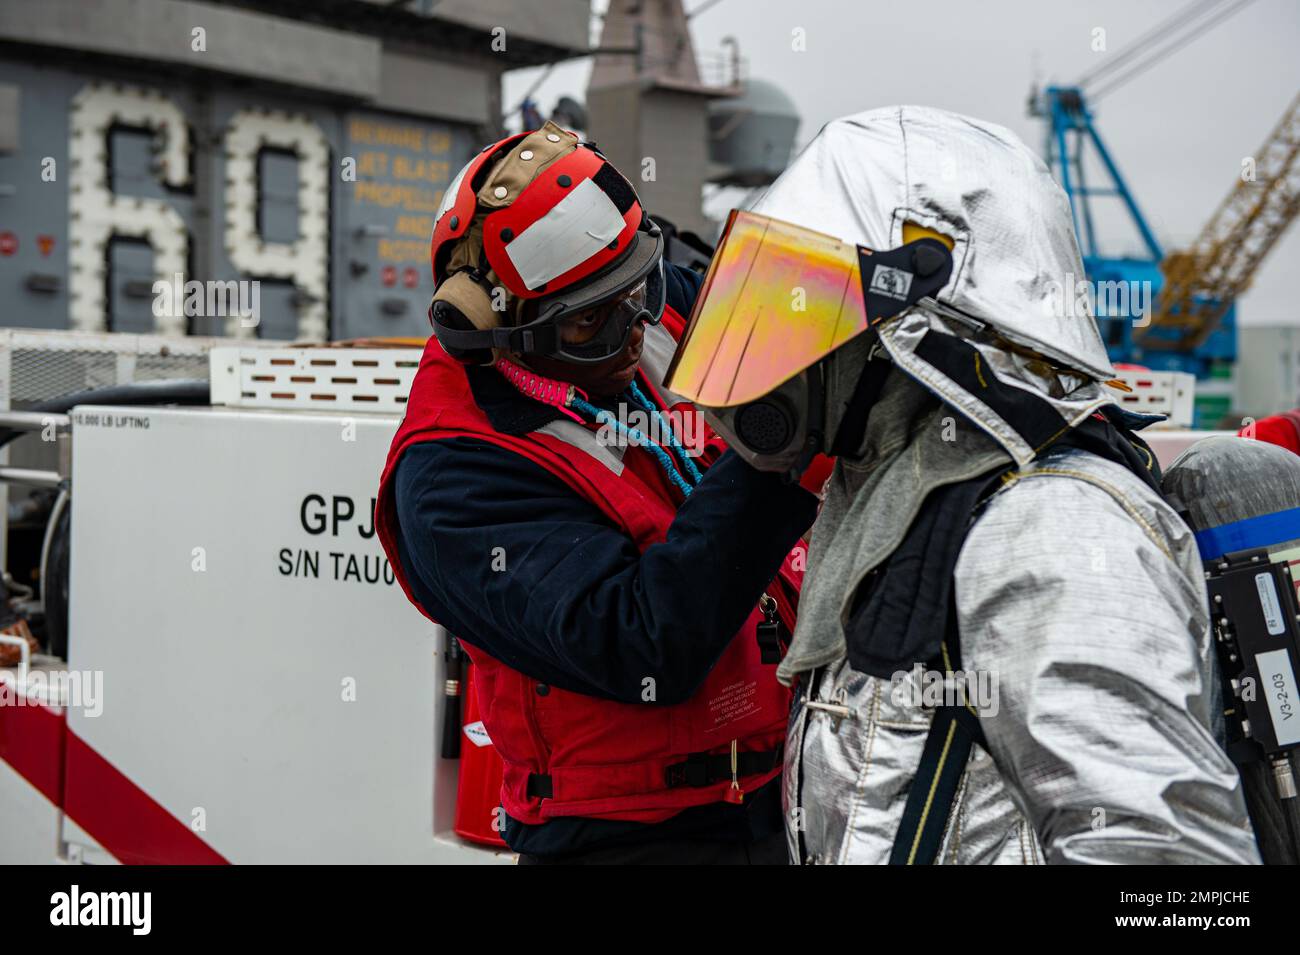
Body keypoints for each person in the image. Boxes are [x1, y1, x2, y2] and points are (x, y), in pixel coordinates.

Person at [664, 105, 1261, 864]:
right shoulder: (904, 501)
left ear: (920, 331)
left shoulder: (1048, 525)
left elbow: (1166, 865)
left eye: (811, 312)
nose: (788, 350)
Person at [374, 122, 818, 864]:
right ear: (501, 331)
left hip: (777, 795)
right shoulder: (450, 481)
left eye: (639, 289)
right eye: (592, 322)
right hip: (625, 838)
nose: (637, 327)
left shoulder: (638, 309)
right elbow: (645, 645)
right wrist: (777, 437)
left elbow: (785, 306)